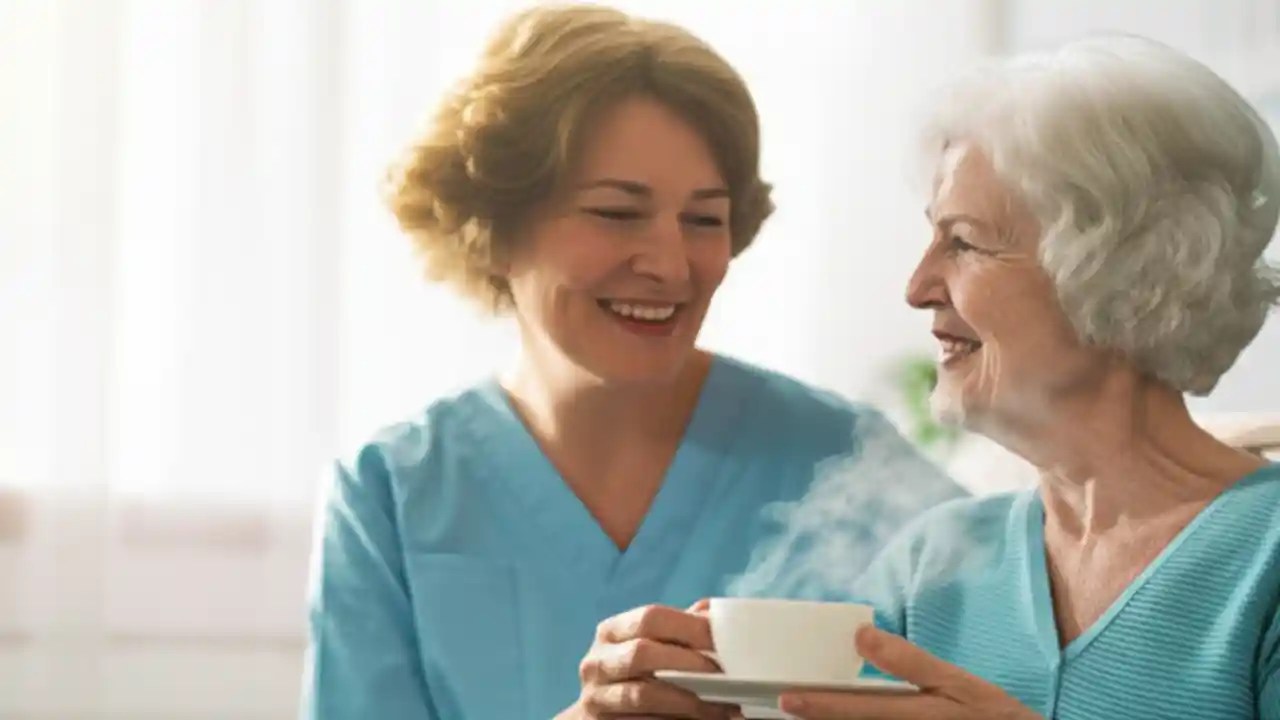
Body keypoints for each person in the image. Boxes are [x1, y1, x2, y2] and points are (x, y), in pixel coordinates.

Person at [298, 5, 963, 719]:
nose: (671, 265)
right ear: (491, 228)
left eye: (704, 220)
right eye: (617, 213)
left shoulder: (853, 467)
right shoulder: (390, 497)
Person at [776, 36, 1280, 720]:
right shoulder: (931, 563)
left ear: (1126, 273)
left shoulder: (1265, 554)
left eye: (964, 242)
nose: (917, 287)